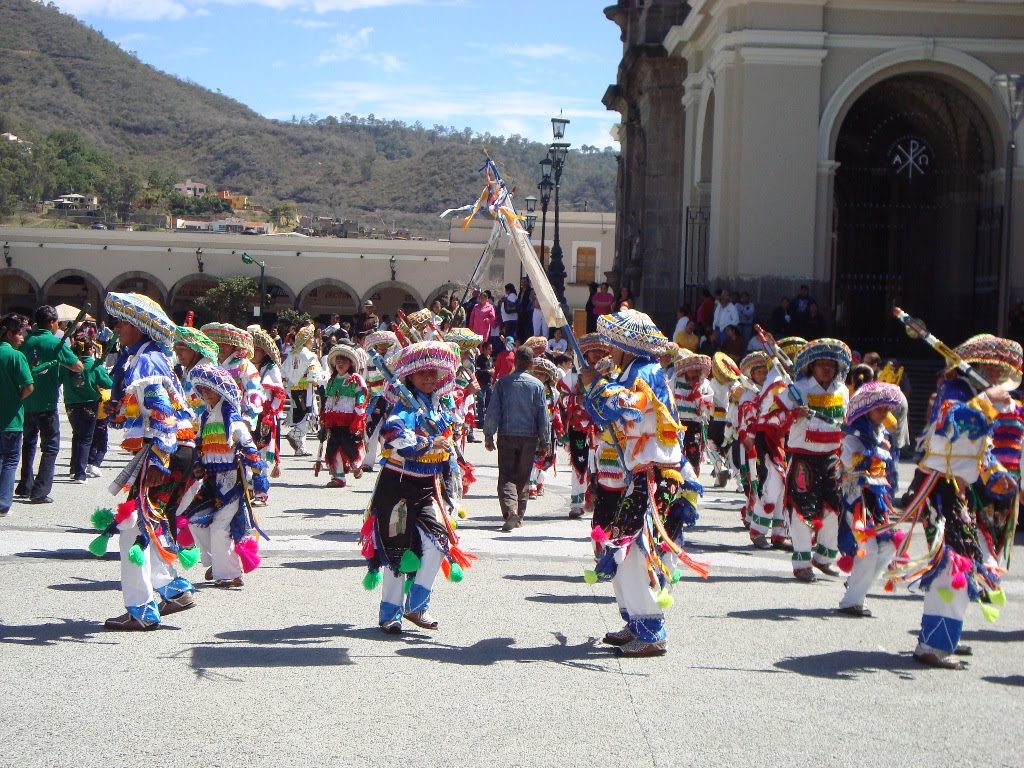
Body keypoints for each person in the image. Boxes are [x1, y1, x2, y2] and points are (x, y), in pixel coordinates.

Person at [579, 308, 704, 657]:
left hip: (655, 474)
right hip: (640, 473)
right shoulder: (632, 371)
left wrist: (596, 384)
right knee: (622, 548)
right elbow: (608, 412)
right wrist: (598, 386)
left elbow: (625, 406)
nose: (607, 350)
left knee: (636, 551)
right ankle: (635, 621)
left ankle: (651, 630)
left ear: (624, 345)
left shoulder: (645, 373)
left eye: (612, 344)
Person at [895, 334, 1021, 669]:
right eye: (988, 367)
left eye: (999, 369)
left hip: (960, 491)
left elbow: (983, 449)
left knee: (966, 563)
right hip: (939, 487)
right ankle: (932, 645)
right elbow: (949, 428)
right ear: (974, 365)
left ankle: (944, 638)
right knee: (951, 566)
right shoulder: (954, 392)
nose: (994, 374)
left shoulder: (978, 396)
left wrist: (996, 474)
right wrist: (984, 402)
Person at [93, 292, 198, 630]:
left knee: (132, 529)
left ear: (139, 326)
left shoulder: (147, 362)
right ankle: (171, 587)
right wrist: (119, 410)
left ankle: (142, 608)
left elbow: (163, 413)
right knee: (147, 524)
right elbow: (146, 411)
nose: (117, 327)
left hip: (163, 451)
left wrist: (158, 460)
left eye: (123, 322)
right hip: (171, 449)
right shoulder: (146, 358)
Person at [360, 341, 474, 634]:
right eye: (422, 373)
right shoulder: (402, 406)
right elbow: (393, 436)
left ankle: (417, 605)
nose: (428, 378)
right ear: (409, 376)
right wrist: (427, 443)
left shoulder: (440, 407)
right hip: (396, 487)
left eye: (432, 374)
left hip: (426, 488)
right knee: (396, 551)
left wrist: (451, 480)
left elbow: (446, 449)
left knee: (438, 544)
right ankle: (390, 614)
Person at [182, 364, 267, 589]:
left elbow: (250, 449)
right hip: (210, 481)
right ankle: (216, 562)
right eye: (202, 390)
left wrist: (259, 481)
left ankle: (230, 573)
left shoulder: (232, 417)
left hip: (232, 482)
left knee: (220, 527)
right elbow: (199, 446)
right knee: (194, 521)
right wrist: (198, 465)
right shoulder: (205, 417)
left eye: (209, 390)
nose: (205, 394)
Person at [777, 338, 851, 582]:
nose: (827, 368)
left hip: (832, 457)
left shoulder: (843, 391)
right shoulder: (797, 390)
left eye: (831, 364)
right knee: (801, 509)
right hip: (804, 458)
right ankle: (801, 562)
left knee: (834, 506)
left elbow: (846, 423)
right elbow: (774, 417)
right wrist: (792, 415)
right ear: (811, 366)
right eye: (821, 364)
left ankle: (824, 557)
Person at [835, 381, 905, 618]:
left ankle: (855, 586)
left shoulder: (881, 432)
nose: (884, 413)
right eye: (879, 409)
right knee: (868, 548)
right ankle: (851, 601)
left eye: (886, 409)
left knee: (889, 546)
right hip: (857, 499)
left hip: (878, 500)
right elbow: (850, 463)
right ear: (866, 410)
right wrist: (874, 448)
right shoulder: (852, 435)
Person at [16, 305, 83, 504]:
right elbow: (77, 366)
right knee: (50, 446)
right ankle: (40, 489)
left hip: (27, 401)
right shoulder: (55, 343)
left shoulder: (26, 342)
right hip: (46, 402)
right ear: (52, 323)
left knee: (28, 444)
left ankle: (25, 484)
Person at [483, 345, 551, 532]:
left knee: (506, 476)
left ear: (515, 361)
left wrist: (489, 434)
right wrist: (545, 441)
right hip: (529, 437)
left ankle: (511, 511)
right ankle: (518, 515)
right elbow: (542, 416)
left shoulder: (503, 384)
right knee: (523, 476)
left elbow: (493, 411)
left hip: (507, 434)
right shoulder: (537, 385)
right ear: (530, 364)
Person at [61, 336, 113, 484]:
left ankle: (73, 468)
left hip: (71, 403)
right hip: (89, 403)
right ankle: (79, 473)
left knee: (76, 435)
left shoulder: (67, 364)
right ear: (90, 350)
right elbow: (108, 383)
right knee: (86, 438)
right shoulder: (93, 365)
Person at [320, 345, 368, 488]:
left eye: (344, 361)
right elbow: (328, 400)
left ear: (350, 363)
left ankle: (357, 463)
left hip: (350, 419)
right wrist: (324, 415)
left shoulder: (355, 379)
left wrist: (359, 413)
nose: (340, 364)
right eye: (338, 361)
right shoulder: (332, 380)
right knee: (333, 448)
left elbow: (361, 395)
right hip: (334, 420)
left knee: (349, 445)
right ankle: (339, 477)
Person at [0, 313, 32, 517]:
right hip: (11, 418)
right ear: (10, 334)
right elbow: (29, 386)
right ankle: (3, 503)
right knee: (10, 461)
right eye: (19, 334)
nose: (22, 338)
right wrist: (17, 397)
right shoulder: (15, 356)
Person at [283, 324, 325, 456]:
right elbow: (314, 374)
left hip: (294, 390)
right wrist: (317, 383)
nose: (313, 341)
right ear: (306, 340)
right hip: (306, 390)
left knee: (299, 416)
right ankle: (293, 434)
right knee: (308, 416)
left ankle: (300, 449)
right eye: (311, 338)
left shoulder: (292, 354)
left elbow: (283, 372)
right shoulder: (309, 355)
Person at [474, 340, 494, 438]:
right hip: (481, 383)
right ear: (484, 349)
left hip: (489, 383)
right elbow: (477, 371)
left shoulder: (490, 359)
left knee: (489, 403)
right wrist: (487, 371)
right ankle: (481, 421)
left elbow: (492, 368)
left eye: (491, 349)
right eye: (489, 349)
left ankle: (488, 422)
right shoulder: (480, 359)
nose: (491, 350)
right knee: (481, 403)